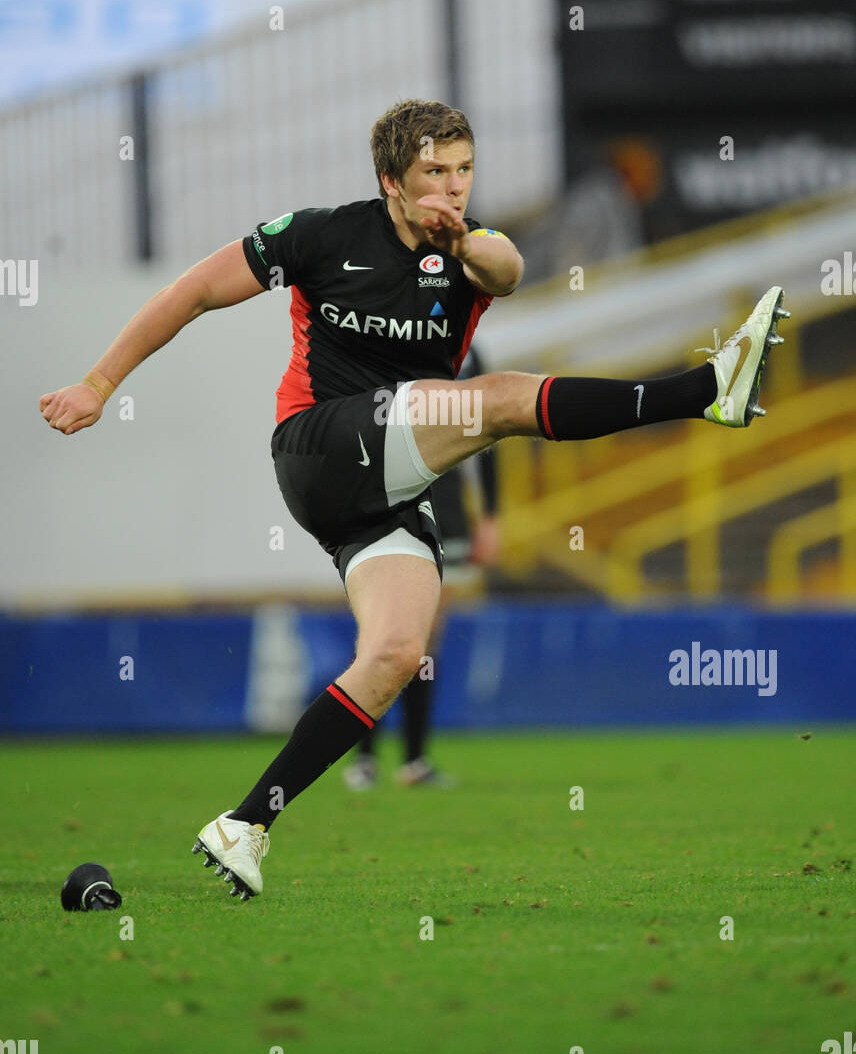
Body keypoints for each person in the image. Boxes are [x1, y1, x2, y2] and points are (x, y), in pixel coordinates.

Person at [39, 98, 789, 902]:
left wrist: (463, 235)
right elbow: (191, 293)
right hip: (319, 448)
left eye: (464, 171)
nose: (453, 187)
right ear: (391, 180)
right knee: (494, 399)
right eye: (435, 173)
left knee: (397, 653)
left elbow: (507, 270)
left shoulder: (473, 250)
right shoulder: (322, 233)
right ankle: (707, 389)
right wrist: (98, 383)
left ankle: (246, 823)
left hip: (388, 487)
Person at [342, 340, 500, 791]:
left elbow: (493, 427)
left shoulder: (468, 352)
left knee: (425, 641)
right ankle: (365, 757)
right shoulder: (385, 332)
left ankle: (412, 759)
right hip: (385, 501)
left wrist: (490, 515)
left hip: (444, 504)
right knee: (381, 636)